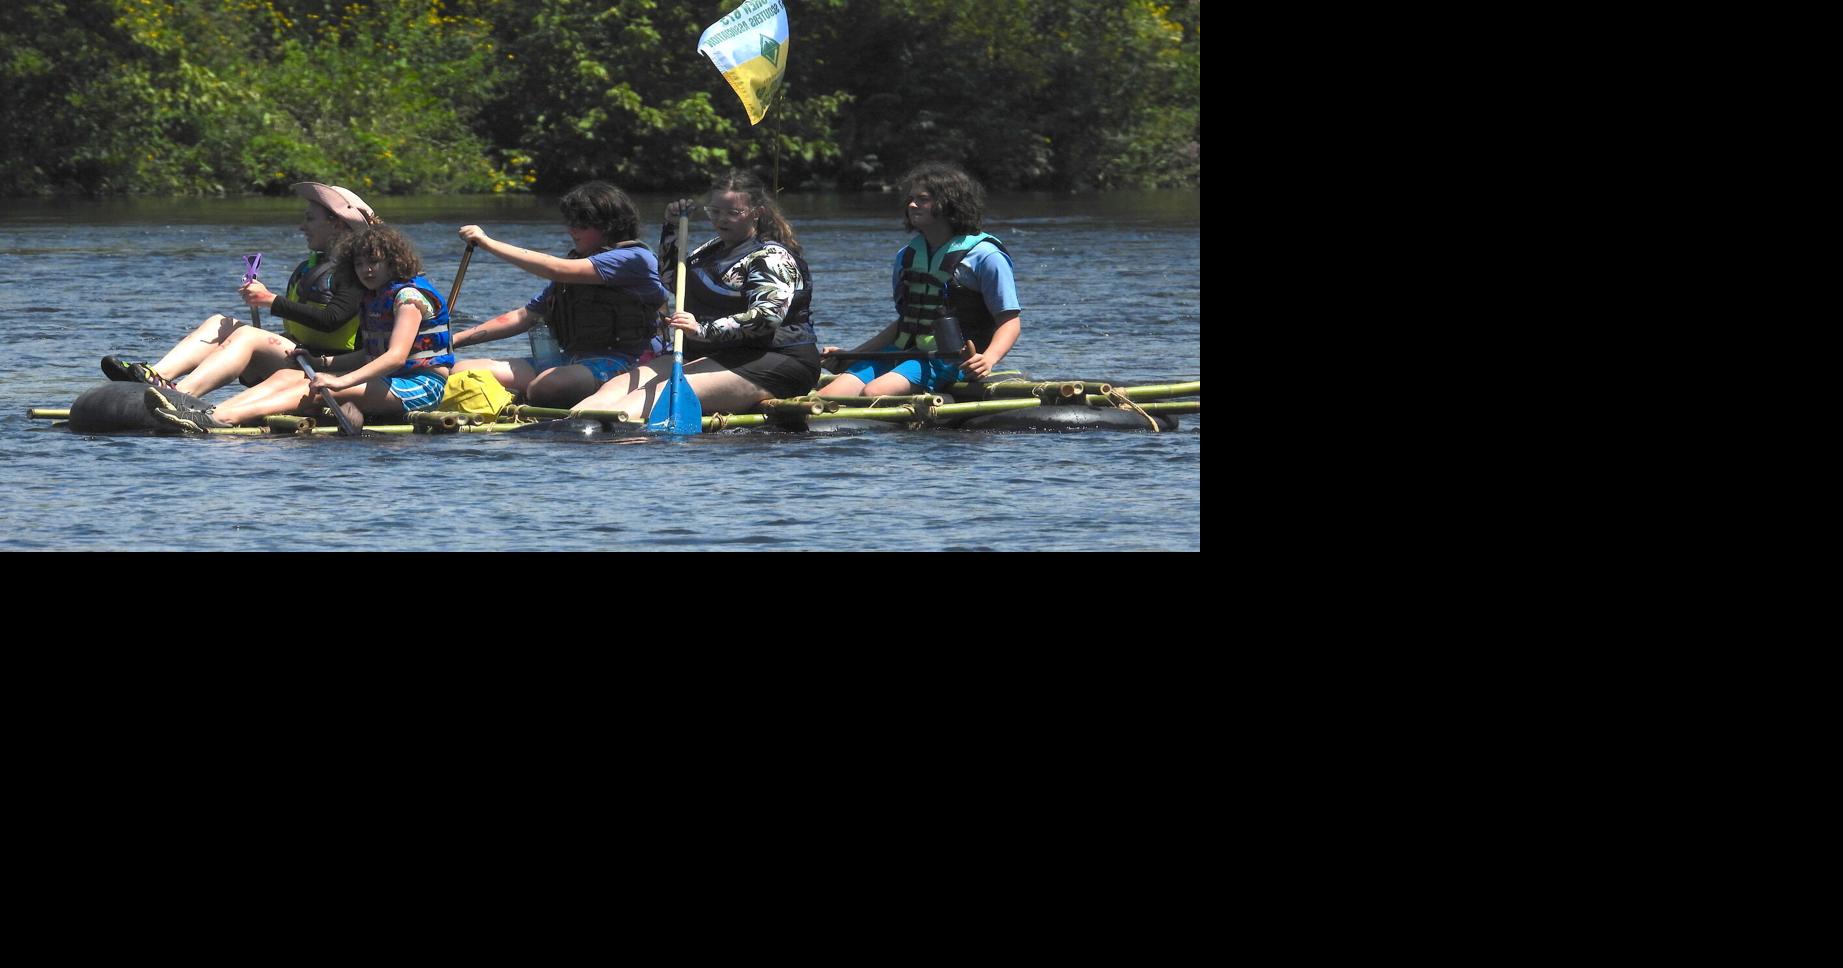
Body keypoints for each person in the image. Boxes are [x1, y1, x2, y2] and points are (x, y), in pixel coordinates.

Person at [144, 225, 452, 432]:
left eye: (374, 262)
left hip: (420, 387)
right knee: (289, 375)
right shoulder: (373, 298)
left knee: (312, 390)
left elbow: (396, 358)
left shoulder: (407, 298)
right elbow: (368, 356)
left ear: (395, 262)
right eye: (359, 264)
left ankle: (219, 420)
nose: (366, 270)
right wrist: (321, 364)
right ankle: (206, 412)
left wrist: (339, 383)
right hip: (385, 380)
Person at [567, 170, 819, 420]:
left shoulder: (771, 257)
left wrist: (702, 330)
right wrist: (672, 229)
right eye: (715, 211)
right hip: (715, 353)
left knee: (654, 394)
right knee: (617, 388)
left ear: (757, 213)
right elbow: (671, 280)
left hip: (776, 359)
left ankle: (610, 431)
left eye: (733, 213)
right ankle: (571, 425)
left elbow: (767, 316)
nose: (722, 220)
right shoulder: (709, 251)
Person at [100, 182, 377, 397]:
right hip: (298, 355)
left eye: (310, 219)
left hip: (326, 366)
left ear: (337, 223)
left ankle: (183, 395)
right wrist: (266, 301)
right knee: (221, 323)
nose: (301, 226)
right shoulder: (313, 266)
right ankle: (155, 376)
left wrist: (271, 301)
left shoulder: (357, 271)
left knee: (247, 335)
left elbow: (332, 321)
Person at [449, 181, 669, 408]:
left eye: (582, 224)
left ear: (610, 226)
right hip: (571, 360)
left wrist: (487, 243)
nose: (572, 231)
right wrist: (452, 340)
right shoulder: (576, 267)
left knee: (548, 385)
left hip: (625, 362)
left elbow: (555, 267)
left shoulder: (634, 259)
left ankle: (534, 395)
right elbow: (525, 316)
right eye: (571, 222)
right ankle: (527, 395)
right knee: (461, 371)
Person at [819, 162, 1022, 398]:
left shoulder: (986, 256)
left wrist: (988, 359)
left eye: (922, 199)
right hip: (903, 351)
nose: (912, 205)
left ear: (950, 203)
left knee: (875, 391)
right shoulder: (906, 256)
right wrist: (852, 355)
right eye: (911, 198)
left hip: (951, 358)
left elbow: (1010, 321)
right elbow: (907, 321)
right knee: (829, 395)